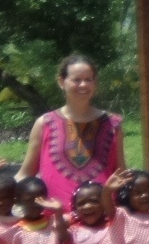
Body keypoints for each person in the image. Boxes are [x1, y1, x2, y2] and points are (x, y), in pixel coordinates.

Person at [17, 54, 124, 215]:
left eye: (89, 79)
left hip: (102, 224)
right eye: (76, 79)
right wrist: (0, 203)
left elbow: (120, 173)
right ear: (62, 82)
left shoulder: (113, 124)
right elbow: (25, 174)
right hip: (56, 222)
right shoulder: (44, 124)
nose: (83, 85)